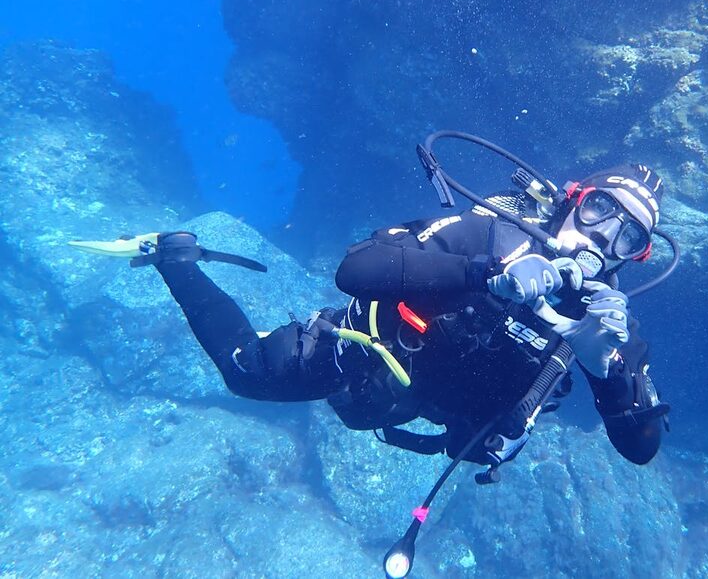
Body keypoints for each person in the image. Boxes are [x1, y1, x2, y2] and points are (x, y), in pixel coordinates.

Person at [71, 135, 675, 575]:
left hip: (431, 413)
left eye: (629, 235)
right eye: (600, 209)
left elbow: (640, 447)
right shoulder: (490, 234)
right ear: (574, 199)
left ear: (636, 256)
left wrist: (602, 367)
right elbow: (356, 269)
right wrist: (485, 274)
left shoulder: (609, 326)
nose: (602, 235)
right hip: (360, 355)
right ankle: (175, 257)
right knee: (243, 372)